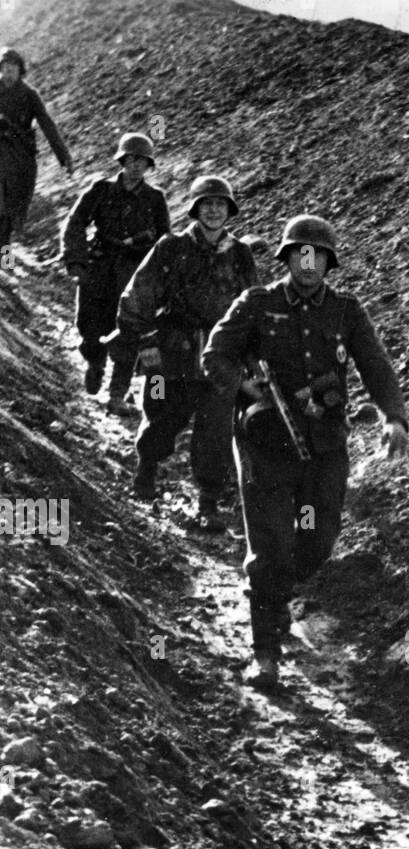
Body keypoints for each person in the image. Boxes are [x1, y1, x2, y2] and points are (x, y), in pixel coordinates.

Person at [202, 213, 409, 691]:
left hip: (324, 448)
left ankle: (276, 595)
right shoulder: (258, 304)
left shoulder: (345, 311)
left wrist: (393, 416)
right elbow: (215, 355)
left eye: (318, 256)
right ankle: (266, 652)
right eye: (301, 254)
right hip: (266, 448)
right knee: (271, 544)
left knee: (317, 540)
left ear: (329, 262)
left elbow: (375, 363)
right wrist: (245, 387)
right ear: (288, 257)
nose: (310, 263)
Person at [111, 175, 258, 530]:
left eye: (220, 204)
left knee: (216, 430)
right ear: (194, 209)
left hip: (220, 359)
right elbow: (138, 296)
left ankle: (208, 503)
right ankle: (146, 470)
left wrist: (253, 355)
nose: (213, 210)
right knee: (162, 414)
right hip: (169, 355)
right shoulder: (171, 248)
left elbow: (255, 305)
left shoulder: (240, 254)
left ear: (229, 211)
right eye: (206, 204)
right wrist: (146, 343)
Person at [61, 132, 170, 413]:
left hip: (134, 274)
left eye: (142, 161)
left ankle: (119, 396)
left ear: (148, 166)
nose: (136, 166)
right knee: (90, 329)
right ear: (121, 161)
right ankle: (95, 364)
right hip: (98, 268)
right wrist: (76, 261)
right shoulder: (101, 190)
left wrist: (163, 278)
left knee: (129, 333)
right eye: (131, 159)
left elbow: (164, 241)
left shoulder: (155, 199)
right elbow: (75, 222)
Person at [0, 47, 72, 252]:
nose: (8, 73)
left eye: (12, 69)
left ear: (20, 71)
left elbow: (47, 124)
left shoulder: (30, 95)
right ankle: (6, 261)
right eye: (4, 68)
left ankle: (7, 254)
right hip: (1, 153)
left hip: (22, 156)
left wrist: (63, 156)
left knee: (16, 208)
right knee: (3, 213)